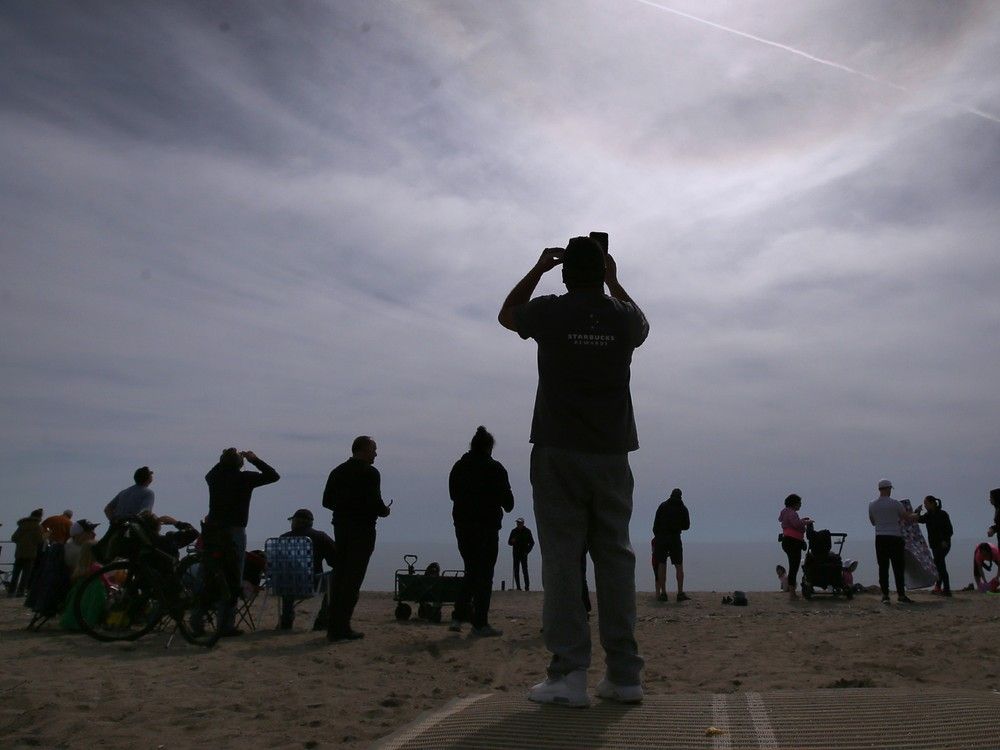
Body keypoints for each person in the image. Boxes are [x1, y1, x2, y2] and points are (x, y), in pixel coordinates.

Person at [499, 235, 649, 706]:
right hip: (611, 452)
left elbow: (507, 315)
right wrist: (615, 281)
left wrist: (538, 268)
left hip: (558, 449)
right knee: (616, 559)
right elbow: (642, 325)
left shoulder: (550, 310)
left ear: (565, 273)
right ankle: (624, 676)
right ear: (602, 269)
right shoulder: (622, 318)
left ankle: (569, 676)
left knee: (563, 561)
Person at [203, 448, 280, 636]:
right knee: (233, 576)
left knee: (208, 573)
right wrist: (254, 459)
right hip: (234, 531)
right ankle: (225, 625)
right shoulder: (245, 478)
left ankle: (197, 621)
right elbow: (273, 476)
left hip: (213, 530)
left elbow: (212, 471)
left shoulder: (214, 477)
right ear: (240, 464)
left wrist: (226, 456)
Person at [322, 436, 391, 642]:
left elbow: (326, 501)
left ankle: (334, 626)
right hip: (362, 529)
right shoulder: (369, 473)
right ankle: (341, 628)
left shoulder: (337, 471)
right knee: (353, 579)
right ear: (363, 450)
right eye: (374, 449)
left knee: (341, 576)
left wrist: (343, 508)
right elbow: (375, 502)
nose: (376, 454)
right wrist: (384, 510)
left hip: (341, 528)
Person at [448, 426, 515, 636]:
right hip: (486, 527)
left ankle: (459, 616)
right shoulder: (495, 469)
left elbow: (453, 495)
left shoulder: (459, 467)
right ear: (489, 447)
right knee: (484, 574)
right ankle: (480, 623)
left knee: (471, 570)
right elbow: (509, 503)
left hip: (463, 527)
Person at [279, 508, 337, 631]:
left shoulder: (283, 538)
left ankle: (286, 621)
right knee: (337, 576)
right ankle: (322, 620)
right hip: (313, 584)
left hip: (284, 587)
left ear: (294, 522)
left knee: (288, 576)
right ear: (310, 522)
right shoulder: (320, 537)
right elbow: (335, 561)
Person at [868, 478, 919, 604]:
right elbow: (906, 518)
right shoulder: (896, 504)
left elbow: (873, 522)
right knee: (898, 567)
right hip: (895, 538)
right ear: (888, 488)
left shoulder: (872, 504)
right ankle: (901, 595)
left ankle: (885, 595)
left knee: (883, 567)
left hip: (880, 538)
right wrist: (916, 514)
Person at [652, 488, 691, 602]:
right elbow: (687, 526)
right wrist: (677, 527)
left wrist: (658, 536)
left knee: (661, 564)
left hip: (661, 538)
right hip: (675, 538)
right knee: (679, 565)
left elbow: (655, 525)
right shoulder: (683, 508)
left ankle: (663, 593)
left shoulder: (662, 506)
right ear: (680, 496)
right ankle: (680, 593)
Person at [916, 495, 953, 596]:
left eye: (926, 503)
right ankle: (939, 587)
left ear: (932, 503)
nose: (925, 505)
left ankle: (946, 589)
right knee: (938, 565)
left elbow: (949, 530)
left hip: (944, 544)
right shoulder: (928, 515)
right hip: (934, 545)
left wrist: (945, 540)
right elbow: (919, 519)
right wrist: (917, 511)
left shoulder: (942, 514)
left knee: (940, 565)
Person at [778, 494, 812, 599]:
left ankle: (792, 592)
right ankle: (792, 593)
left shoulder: (785, 512)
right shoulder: (792, 513)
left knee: (793, 566)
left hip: (787, 541)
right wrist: (806, 522)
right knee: (794, 567)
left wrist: (801, 521)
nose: (800, 505)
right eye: (799, 503)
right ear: (794, 504)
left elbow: (786, 521)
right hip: (793, 542)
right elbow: (796, 525)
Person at [8, 508, 44, 597]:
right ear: (40, 517)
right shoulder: (37, 527)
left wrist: (20, 543)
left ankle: (11, 591)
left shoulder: (22, 525)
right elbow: (39, 540)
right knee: (26, 575)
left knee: (15, 573)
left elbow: (14, 538)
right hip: (30, 554)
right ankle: (21, 592)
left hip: (19, 553)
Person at [508, 518, 534, 591]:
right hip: (516, 554)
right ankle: (518, 587)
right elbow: (509, 542)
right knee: (516, 570)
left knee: (525, 570)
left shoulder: (527, 531)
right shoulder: (514, 531)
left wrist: (527, 551)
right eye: (517, 523)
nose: (518, 524)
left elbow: (532, 542)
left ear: (523, 523)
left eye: (519, 523)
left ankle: (527, 587)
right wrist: (512, 541)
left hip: (524, 554)